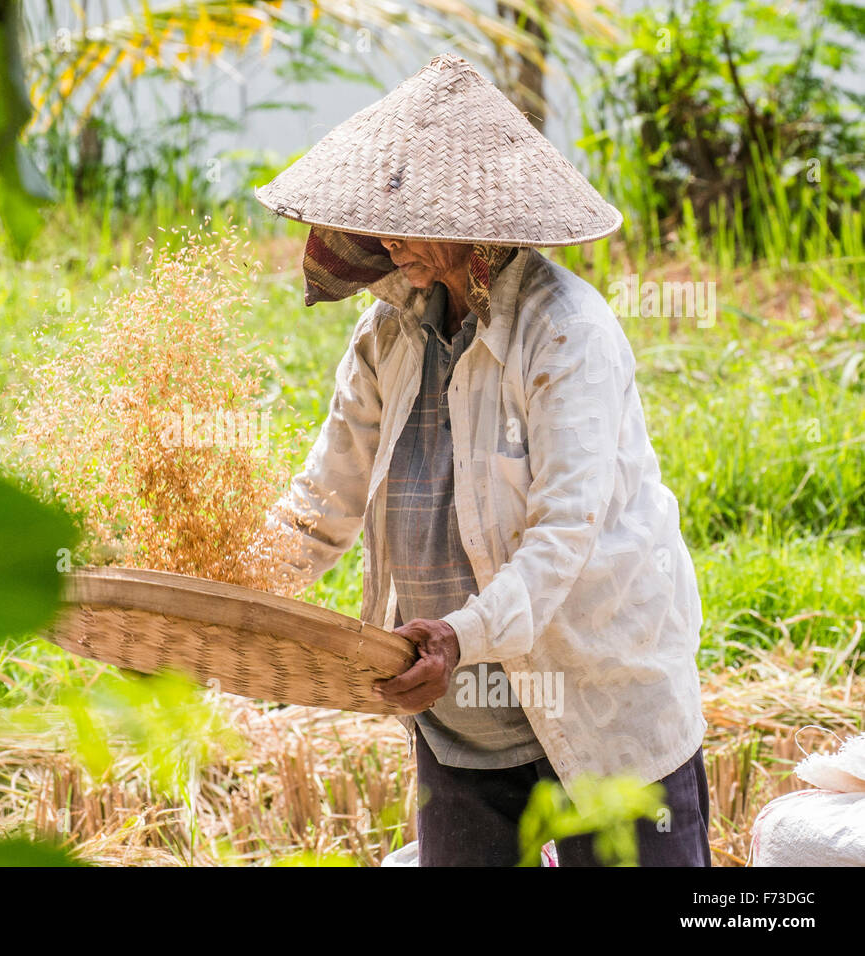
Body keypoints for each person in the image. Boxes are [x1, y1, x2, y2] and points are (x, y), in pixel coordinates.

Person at [254, 53, 710, 866]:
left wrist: (461, 637)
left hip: (598, 703)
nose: (388, 236)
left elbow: (565, 534)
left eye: (413, 216)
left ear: (477, 224)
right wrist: (213, 593)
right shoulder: (386, 335)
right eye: (377, 215)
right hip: (458, 720)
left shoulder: (566, 330)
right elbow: (318, 509)